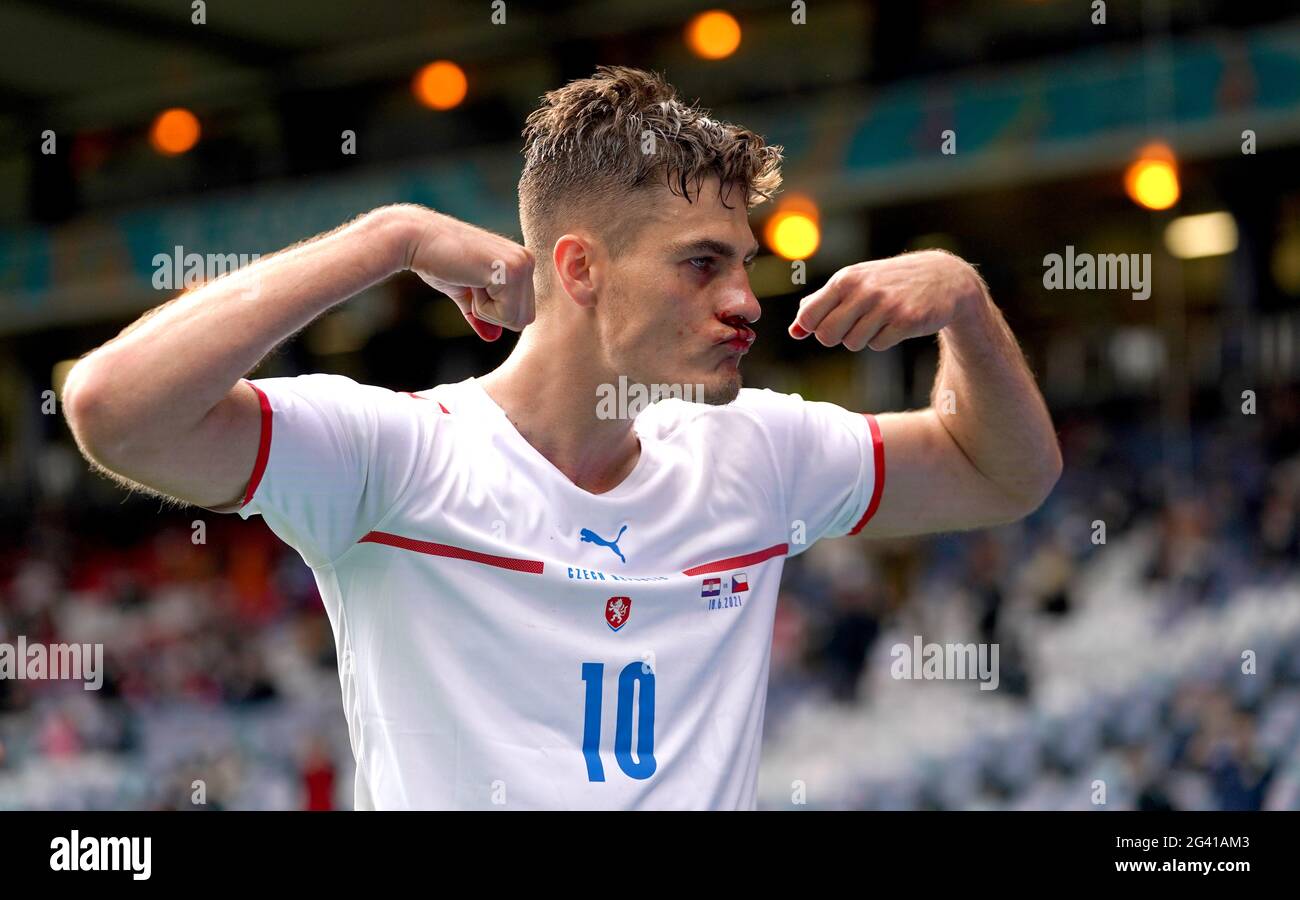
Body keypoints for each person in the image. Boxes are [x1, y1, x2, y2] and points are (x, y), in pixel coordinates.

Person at [61, 66, 1061, 809]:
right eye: (700, 265)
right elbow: (111, 406)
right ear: (577, 268)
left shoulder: (757, 453)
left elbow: (1003, 474)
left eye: (742, 265)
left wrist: (965, 301)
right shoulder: (397, 456)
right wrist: (387, 240)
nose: (742, 303)